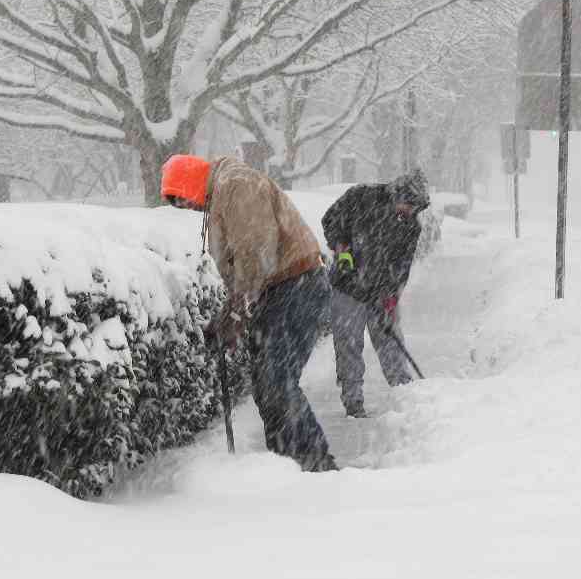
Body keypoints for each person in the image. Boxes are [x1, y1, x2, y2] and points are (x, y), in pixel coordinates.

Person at [160, 154, 337, 472]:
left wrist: (237, 313)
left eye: (184, 201)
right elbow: (242, 262)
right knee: (272, 383)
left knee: (275, 382)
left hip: (294, 286)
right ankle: (290, 464)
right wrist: (230, 314)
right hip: (283, 290)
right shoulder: (222, 192)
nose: (189, 209)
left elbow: (256, 251)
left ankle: (314, 465)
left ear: (190, 182)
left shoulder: (236, 185)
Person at [321, 168, 430, 418]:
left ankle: (408, 396)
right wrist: (342, 247)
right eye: (407, 206)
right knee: (348, 345)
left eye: (414, 209)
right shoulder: (361, 197)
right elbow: (330, 220)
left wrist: (392, 296)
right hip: (347, 287)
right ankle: (353, 401)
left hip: (381, 293)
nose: (409, 213)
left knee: (391, 342)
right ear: (397, 195)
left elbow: (403, 265)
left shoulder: (410, 225)